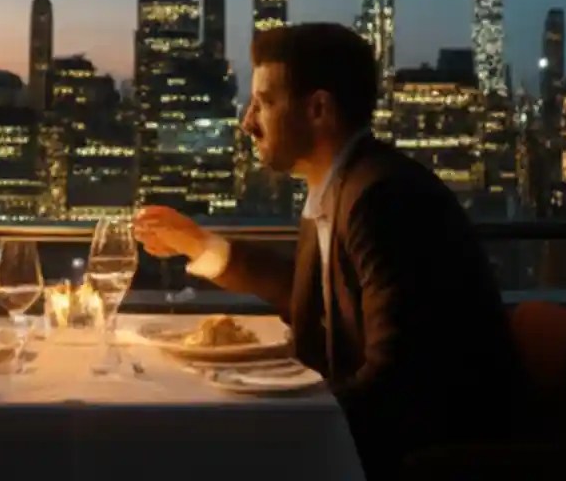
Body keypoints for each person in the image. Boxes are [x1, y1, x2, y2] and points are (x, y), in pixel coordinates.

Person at [135, 24, 525, 479]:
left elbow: (397, 379)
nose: (247, 121)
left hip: (426, 456)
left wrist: (271, 424)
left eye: (263, 103)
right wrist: (201, 246)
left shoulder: (384, 199)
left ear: (319, 109)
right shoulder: (343, 183)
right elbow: (310, 298)